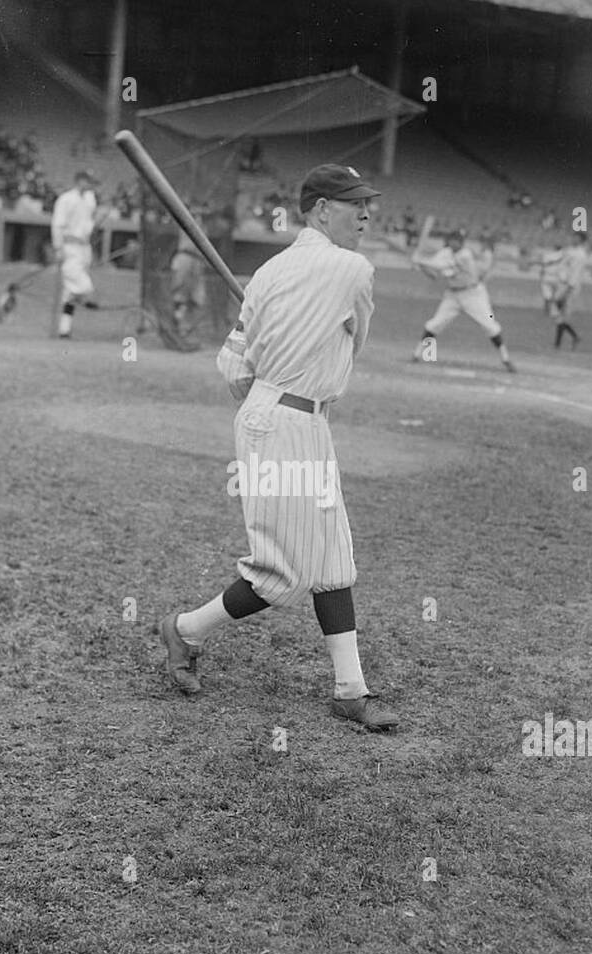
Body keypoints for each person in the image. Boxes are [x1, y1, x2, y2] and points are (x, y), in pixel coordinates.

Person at [159, 163, 400, 733]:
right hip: (282, 425)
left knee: (334, 562)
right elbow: (355, 340)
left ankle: (350, 691)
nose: (366, 213)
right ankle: (185, 629)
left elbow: (232, 366)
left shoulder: (268, 272)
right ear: (320, 209)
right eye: (352, 204)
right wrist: (287, 367)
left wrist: (273, 362)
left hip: (288, 418)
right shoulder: (352, 270)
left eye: (367, 203)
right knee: (279, 575)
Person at [412, 228, 515, 372]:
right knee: (435, 323)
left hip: (473, 294)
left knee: (489, 324)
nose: (455, 243)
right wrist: (421, 266)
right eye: (453, 240)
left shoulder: (465, 255)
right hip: (453, 296)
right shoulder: (445, 253)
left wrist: (421, 260)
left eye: (458, 241)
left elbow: (442, 266)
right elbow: (434, 275)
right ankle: (418, 354)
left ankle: (505, 358)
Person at [51, 170, 98, 338]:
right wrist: (58, 247)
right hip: (70, 246)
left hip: (84, 247)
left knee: (70, 293)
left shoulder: (89, 199)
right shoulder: (66, 199)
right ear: (79, 181)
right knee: (81, 285)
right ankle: (88, 298)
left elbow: (89, 221)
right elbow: (58, 224)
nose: (89, 185)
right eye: (87, 181)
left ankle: (64, 328)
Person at [551, 232, 589, 350]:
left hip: (569, 287)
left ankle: (558, 344)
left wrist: (569, 288)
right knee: (558, 315)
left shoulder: (580, 255)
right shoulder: (570, 251)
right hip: (563, 285)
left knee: (561, 315)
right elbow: (562, 265)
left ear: (581, 240)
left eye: (576, 238)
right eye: (573, 237)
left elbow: (575, 273)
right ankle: (574, 337)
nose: (573, 239)